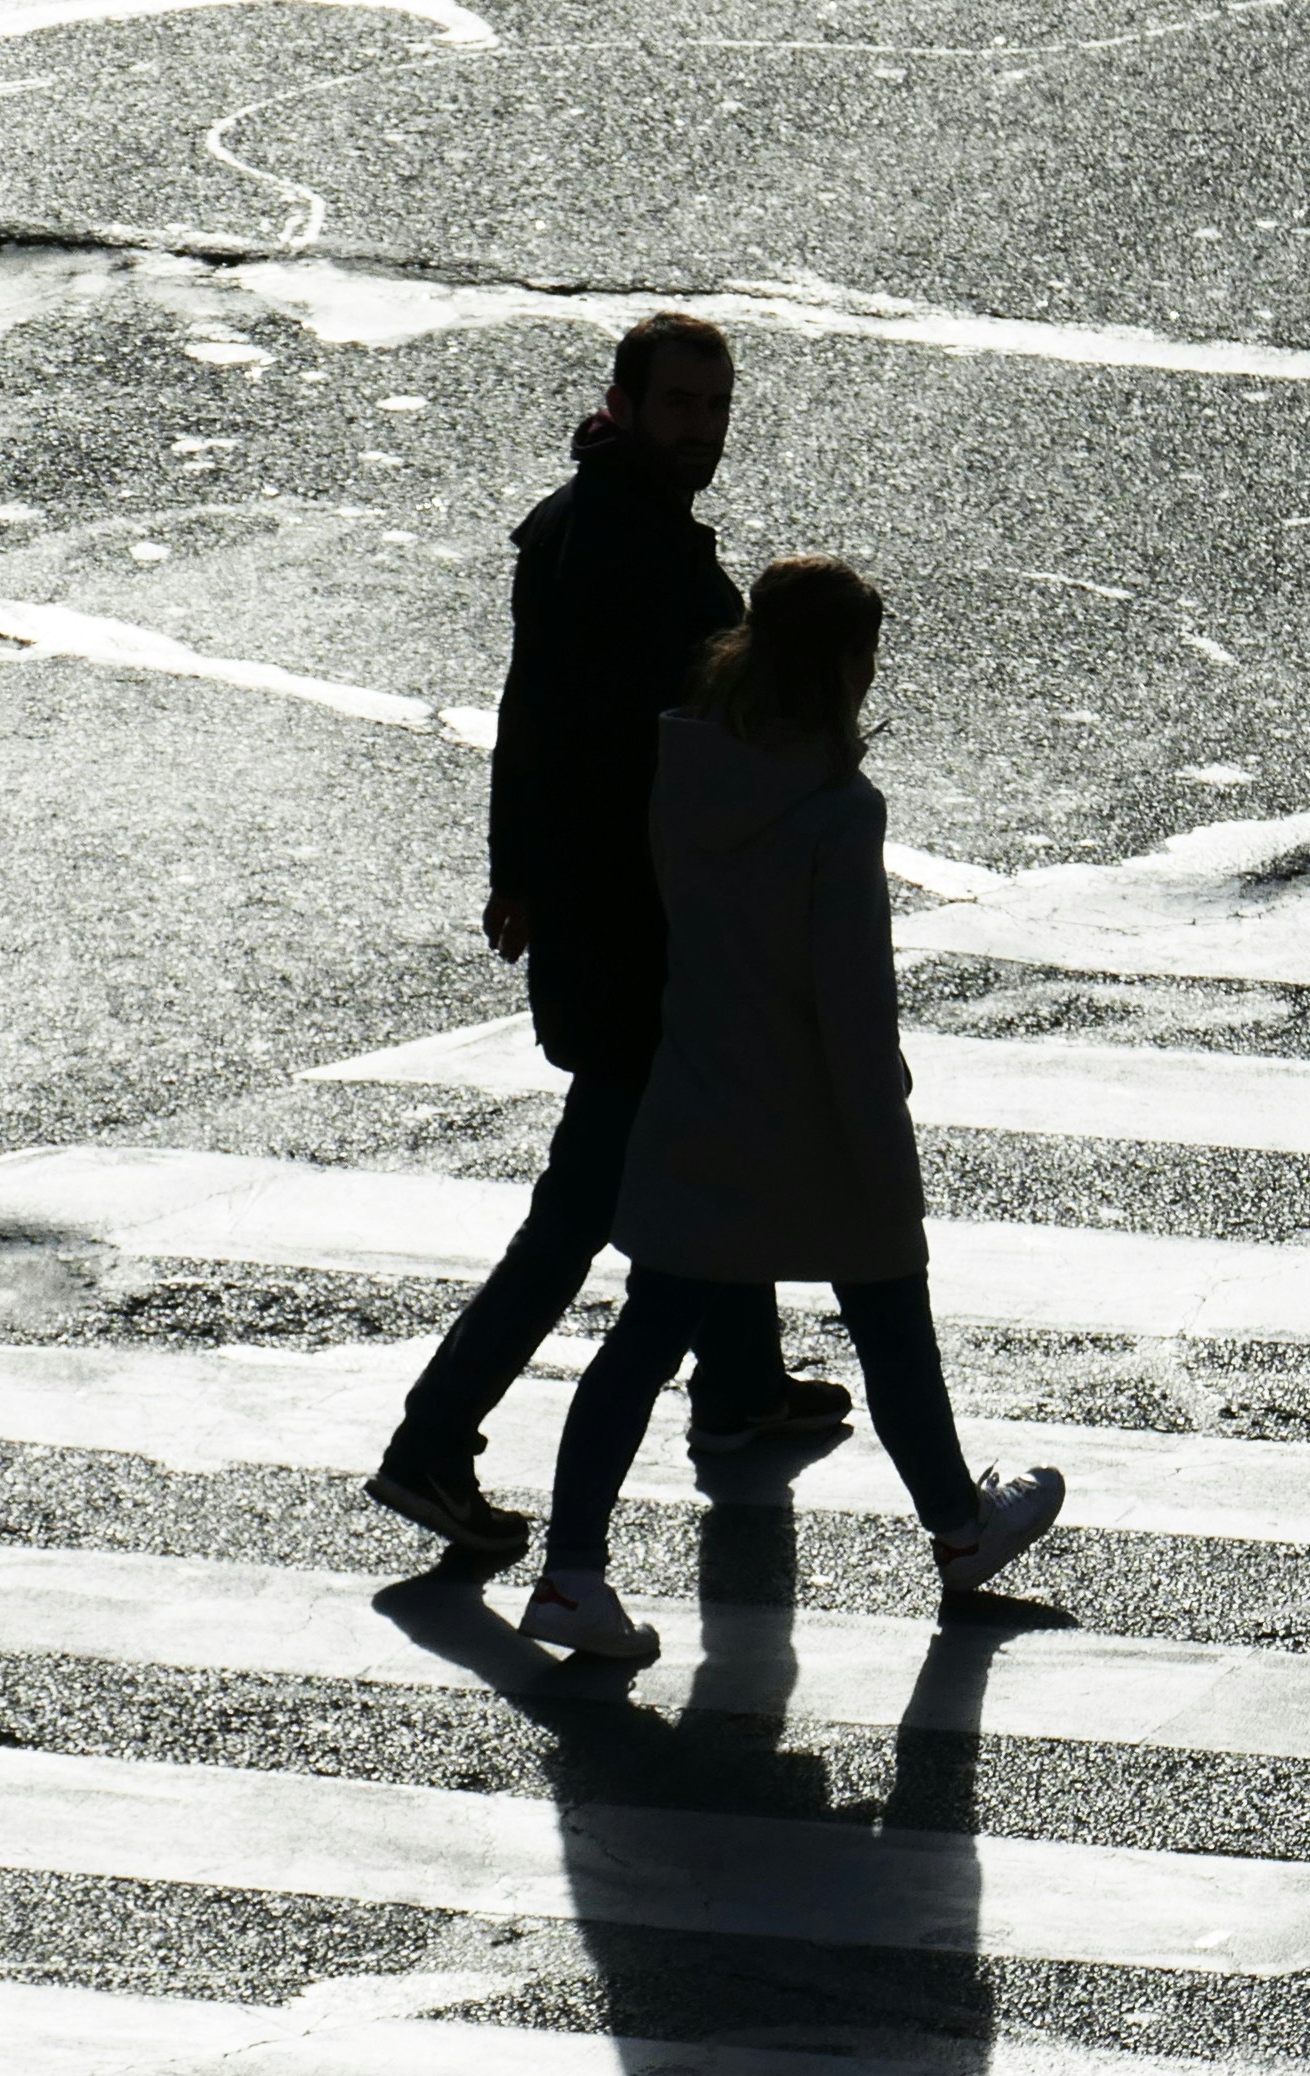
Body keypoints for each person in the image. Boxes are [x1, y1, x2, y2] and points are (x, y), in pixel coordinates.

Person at [515, 556, 1063, 1664]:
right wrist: (887, 1151)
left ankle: (572, 1567)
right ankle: (958, 1526)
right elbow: (852, 1014)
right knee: (890, 1319)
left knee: (643, 1341)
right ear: (847, 671)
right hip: (811, 1125)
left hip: (703, 1099)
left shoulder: (689, 770)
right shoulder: (836, 816)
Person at [366, 311, 841, 1570]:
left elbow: (532, 720)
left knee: (712, 1137)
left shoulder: (585, 525)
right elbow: (635, 754)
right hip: (639, 936)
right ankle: (431, 1438)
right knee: (585, 1205)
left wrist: (512, 867)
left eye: (713, 406)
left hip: (608, 917)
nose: (702, 426)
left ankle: (742, 1385)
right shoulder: (625, 553)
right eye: (679, 403)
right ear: (624, 404)